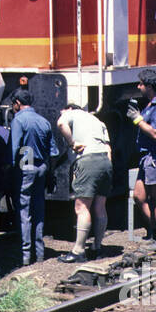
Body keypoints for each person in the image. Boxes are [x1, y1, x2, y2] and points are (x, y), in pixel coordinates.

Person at [55, 102, 112, 263]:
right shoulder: (98, 121)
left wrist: (72, 143)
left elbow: (61, 123)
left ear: (70, 109)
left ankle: (78, 251)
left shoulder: (72, 113)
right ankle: (97, 247)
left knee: (82, 207)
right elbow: (109, 149)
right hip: (105, 163)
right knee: (100, 206)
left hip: (88, 160)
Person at [127, 68, 156, 253]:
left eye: (141, 84)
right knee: (139, 196)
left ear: (150, 86)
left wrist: (137, 120)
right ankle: (155, 232)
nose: (138, 87)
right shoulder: (152, 103)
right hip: (147, 157)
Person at [9, 88, 53, 266]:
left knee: (25, 212)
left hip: (26, 165)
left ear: (17, 103)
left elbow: (14, 148)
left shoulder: (18, 120)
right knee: (39, 209)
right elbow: (54, 151)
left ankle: (25, 256)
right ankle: (40, 254)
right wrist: (50, 171)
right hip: (42, 166)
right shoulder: (44, 121)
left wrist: (10, 167)